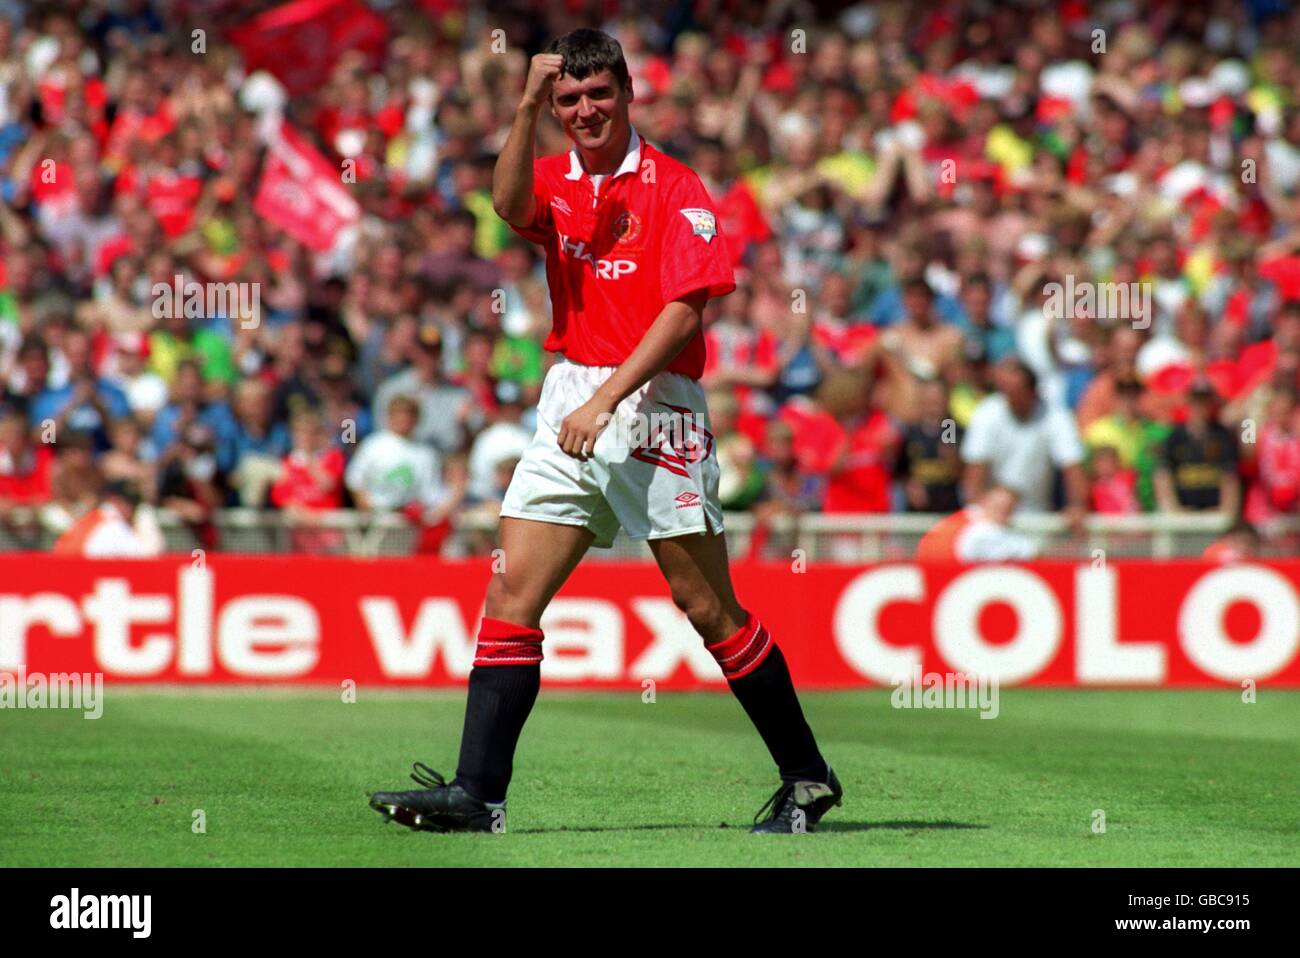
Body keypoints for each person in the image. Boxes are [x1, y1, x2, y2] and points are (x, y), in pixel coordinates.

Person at [369, 29, 841, 836]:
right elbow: (508, 206)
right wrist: (520, 106)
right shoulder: (552, 175)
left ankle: (807, 777)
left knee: (707, 607)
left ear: (627, 94)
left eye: (599, 95)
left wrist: (609, 400)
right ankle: (479, 794)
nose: (585, 111)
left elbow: (686, 308)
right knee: (511, 591)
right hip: (571, 395)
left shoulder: (676, 187)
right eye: (568, 100)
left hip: (656, 403)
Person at [915, 485, 1038, 562]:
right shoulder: (979, 529)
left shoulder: (971, 522)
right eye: (998, 506)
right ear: (985, 503)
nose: (1002, 512)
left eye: (1007, 508)